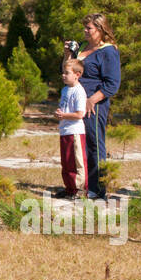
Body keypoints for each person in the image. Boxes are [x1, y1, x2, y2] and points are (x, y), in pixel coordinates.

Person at [65, 13, 121, 200]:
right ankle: (79, 186)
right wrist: (68, 54)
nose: (85, 31)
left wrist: (92, 100)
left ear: (101, 30)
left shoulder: (108, 51)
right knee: (76, 144)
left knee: (93, 144)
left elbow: (112, 83)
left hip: (93, 105)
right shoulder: (81, 47)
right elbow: (68, 71)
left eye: (89, 28)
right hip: (75, 102)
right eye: (85, 27)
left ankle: (97, 188)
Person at [54, 58, 88, 198]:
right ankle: (69, 188)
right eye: (63, 72)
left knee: (77, 161)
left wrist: (64, 115)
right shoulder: (65, 90)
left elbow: (80, 114)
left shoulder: (79, 91)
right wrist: (60, 113)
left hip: (75, 132)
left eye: (67, 73)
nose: (63, 75)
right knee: (66, 161)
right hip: (65, 131)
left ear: (77, 74)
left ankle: (80, 190)